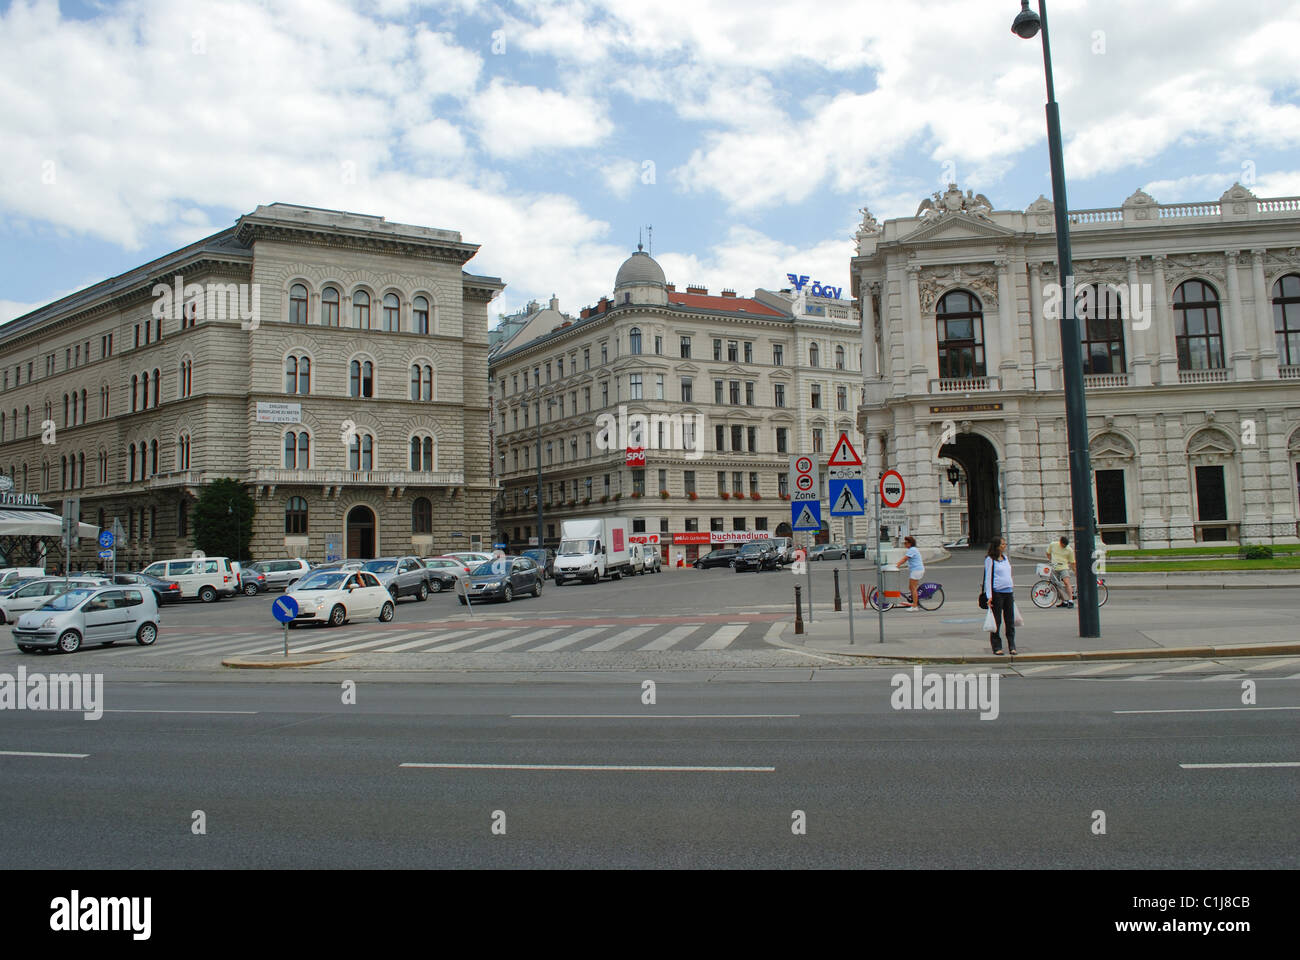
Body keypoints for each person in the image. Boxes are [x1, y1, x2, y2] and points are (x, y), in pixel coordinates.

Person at [983, 537, 1017, 655]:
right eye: (1002, 544)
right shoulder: (990, 560)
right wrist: (989, 596)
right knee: (997, 621)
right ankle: (997, 646)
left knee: (1010, 620)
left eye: (1004, 544)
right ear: (997, 546)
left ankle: (1012, 645)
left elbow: (1008, 574)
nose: (1004, 545)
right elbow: (988, 578)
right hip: (997, 593)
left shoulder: (1006, 558)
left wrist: (1012, 587)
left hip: (1008, 592)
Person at [894, 535, 925, 610]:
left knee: (913, 588)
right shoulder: (912, 549)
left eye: (906, 543)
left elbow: (905, 559)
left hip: (916, 570)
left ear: (910, 543)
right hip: (916, 570)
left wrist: (897, 565)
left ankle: (914, 606)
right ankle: (914, 602)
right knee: (911, 587)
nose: (905, 544)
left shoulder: (912, 550)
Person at [1047, 535, 1076, 608]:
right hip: (1054, 568)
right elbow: (1048, 553)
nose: (1064, 546)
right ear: (1060, 542)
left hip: (1064, 567)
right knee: (1055, 585)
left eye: (1065, 545)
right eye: (1063, 545)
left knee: (1066, 582)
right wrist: (1051, 561)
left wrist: (1075, 571)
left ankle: (1070, 600)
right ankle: (1064, 601)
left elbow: (1072, 562)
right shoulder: (1053, 545)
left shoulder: (1069, 550)